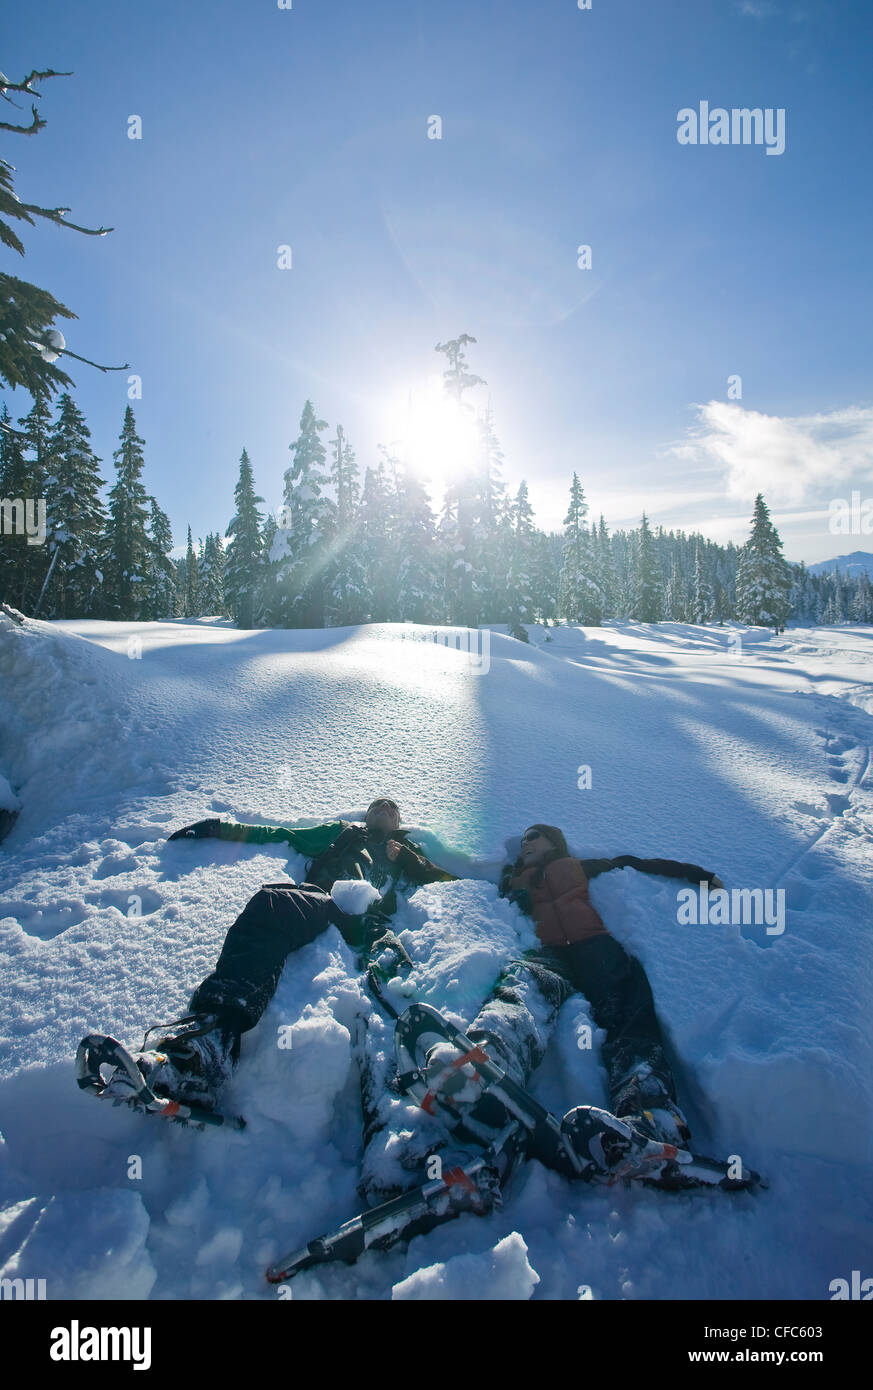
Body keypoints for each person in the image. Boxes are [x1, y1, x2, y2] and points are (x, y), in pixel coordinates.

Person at [128, 798, 455, 1112]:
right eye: (377, 806)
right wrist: (219, 828)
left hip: (372, 926)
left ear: (398, 823)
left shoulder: (407, 850)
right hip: (328, 905)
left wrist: (408, 860)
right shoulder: (342, 833)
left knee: (393, 977)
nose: (384, 809)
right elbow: (281, 835)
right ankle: (210, 1045)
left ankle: (426, 1077)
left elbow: (449, 882)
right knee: (272, 902)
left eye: (391, 809)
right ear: (366, 816)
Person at [457, 824, 725, 1151]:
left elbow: (636, 861)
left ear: (554, 842)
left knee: (627, 1010)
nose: (526, 843)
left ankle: (648, 1109)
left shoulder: (577, 866)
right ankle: (488, 1060)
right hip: (548, 952)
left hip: (594, 947)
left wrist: (700, 875)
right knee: (522, 989)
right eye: (523, 838)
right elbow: (458, 886)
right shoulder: (514, 880)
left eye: (534, 836)